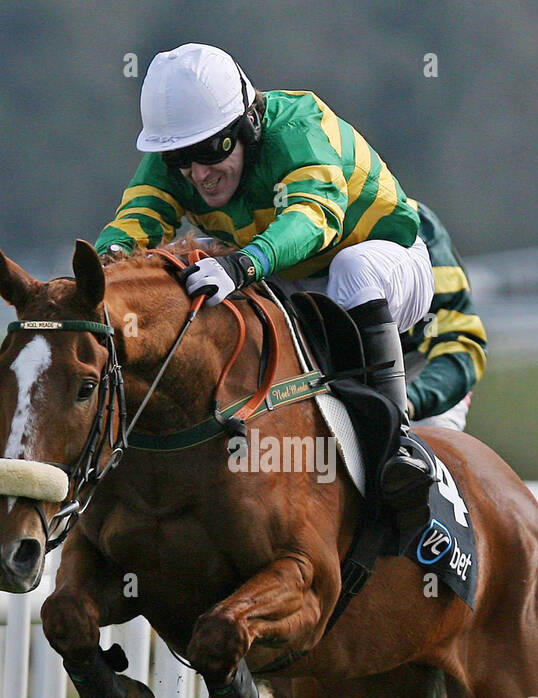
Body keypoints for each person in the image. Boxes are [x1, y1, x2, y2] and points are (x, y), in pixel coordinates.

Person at [95, 42, 435, 528]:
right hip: (285, 277)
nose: (199, 173)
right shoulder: (181, 158)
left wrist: (242, 265)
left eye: (213, 151)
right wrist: (100, 267)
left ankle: (398, 446)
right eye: (180, 160)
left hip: (388, 262)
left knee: (350, 269)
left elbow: (314, 216)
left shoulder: (299, 126)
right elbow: (138, 218)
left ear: (249, 126)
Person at [402, 200, 487, 432]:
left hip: (415, 371)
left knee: (432, 438)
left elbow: (459, 344)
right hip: (322, 375)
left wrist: (410, 400)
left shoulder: (416, 223)